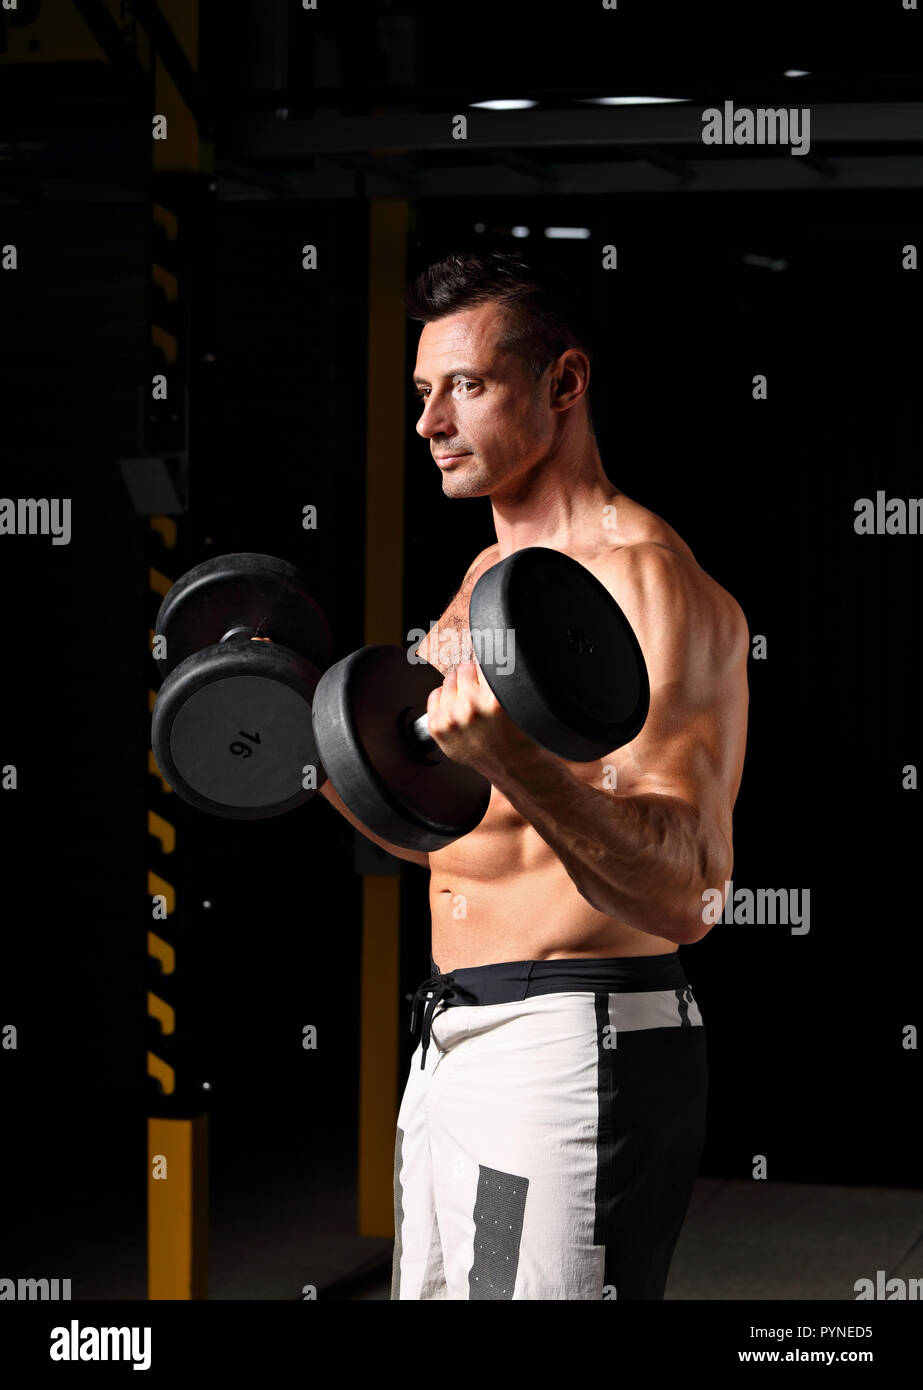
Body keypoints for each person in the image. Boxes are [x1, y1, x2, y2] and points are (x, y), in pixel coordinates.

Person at [320, 250, 749, 1299]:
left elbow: (689, 890)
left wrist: (516, 760)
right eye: (422, 393)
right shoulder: (483, 580)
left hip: (569, 1043)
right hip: (455, 1041)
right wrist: (311, 748)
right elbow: (447, 828)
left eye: (465, 386)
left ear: (563, 382)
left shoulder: (644, 580)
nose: (429, 424)